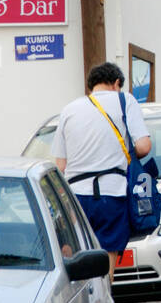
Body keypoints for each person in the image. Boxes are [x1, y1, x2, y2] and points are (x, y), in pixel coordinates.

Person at [52, 62, 153, 277]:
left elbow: (60, 165)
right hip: (112, 192)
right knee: (107, 256)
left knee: (79, 256)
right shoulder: (125, 101)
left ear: (91, 86)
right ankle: (105, 302)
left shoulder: (69, 110)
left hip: (76, 196)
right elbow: (144, 146)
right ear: (117, 83)